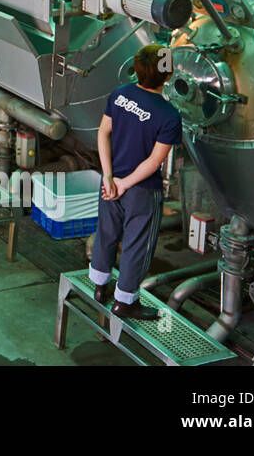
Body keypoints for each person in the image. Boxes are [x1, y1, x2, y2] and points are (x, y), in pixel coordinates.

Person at [89, 42, 182, 321]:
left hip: (110, 183)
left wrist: (108, 177)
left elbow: (103, 132)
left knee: (106, 234)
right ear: (167, 75)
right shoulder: (169, 115)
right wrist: (125, 184)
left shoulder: (120, 95)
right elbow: (155, 162)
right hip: (140, 190)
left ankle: (99, 285)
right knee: (136, 246)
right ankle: (126, 302)